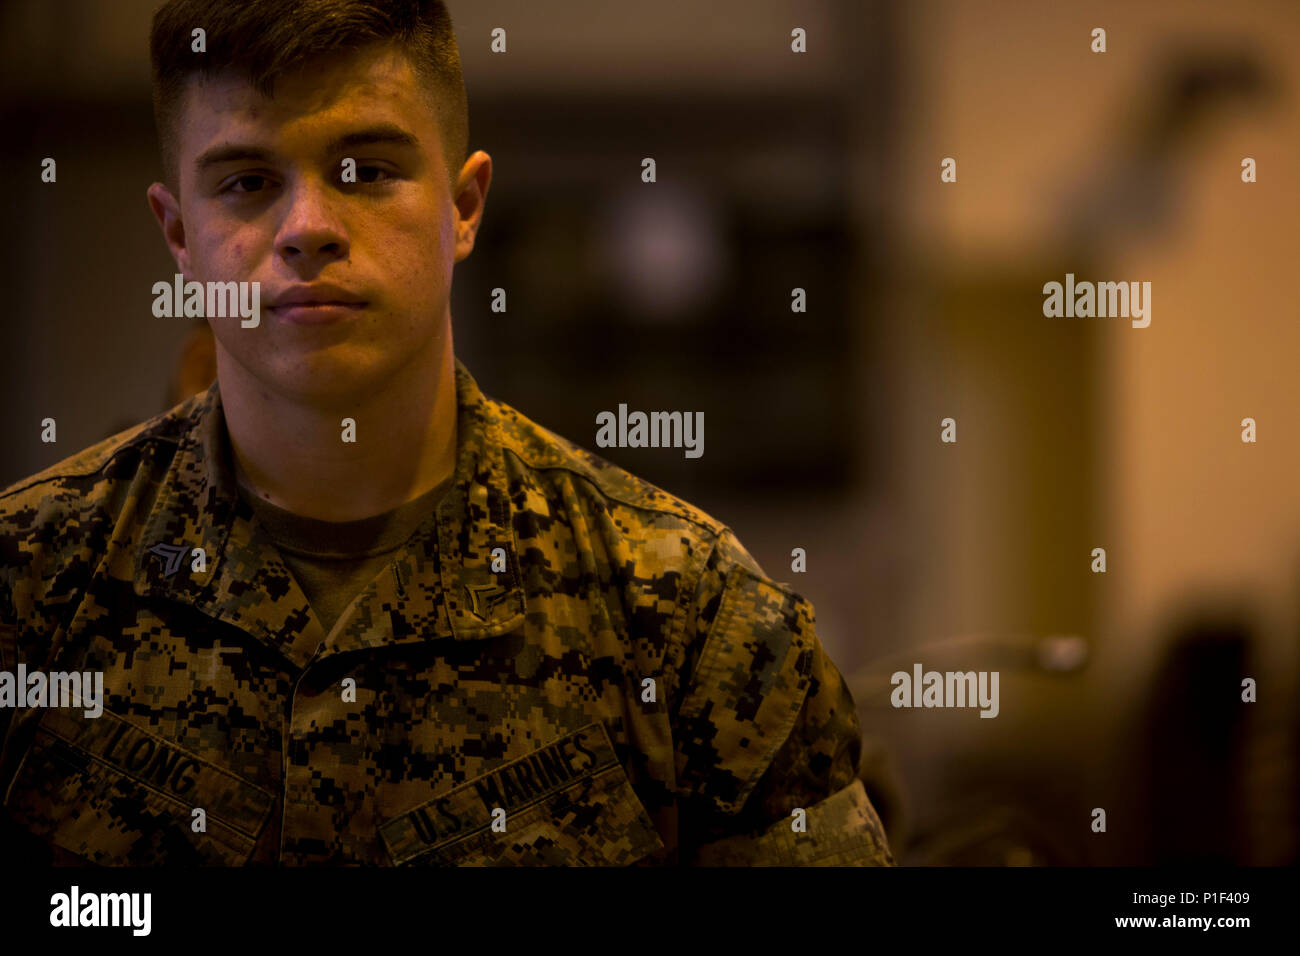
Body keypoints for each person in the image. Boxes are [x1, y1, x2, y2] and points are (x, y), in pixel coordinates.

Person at [0, 0, 894, 866]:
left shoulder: (688, 615)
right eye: (247, 183)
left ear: (464, 207)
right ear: (178, 235)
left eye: (368, 171)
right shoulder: (32, 588)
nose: (308, 228)